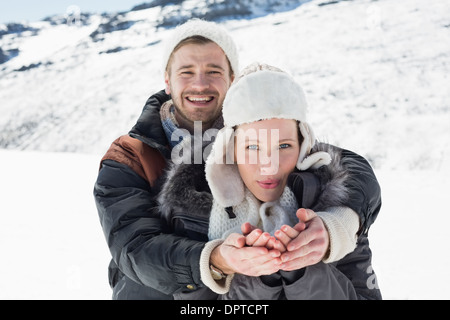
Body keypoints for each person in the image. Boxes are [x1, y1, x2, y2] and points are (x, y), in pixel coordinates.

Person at [94, 19, 381, 300]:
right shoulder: (129, 156)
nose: (200, 84)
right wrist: (217, 260)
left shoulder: (252, 124)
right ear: (167, 81)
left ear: (232, 80)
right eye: (186, 71)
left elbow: (347, 166)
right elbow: (136, 249)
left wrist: (339, 223)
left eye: (214, 71)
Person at [158, 63, 360, 299]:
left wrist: (303, 270)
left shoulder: (338, 211)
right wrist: (228, 267)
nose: (268, 165)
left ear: (303, 146)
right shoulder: (189, 214)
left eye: (284, 146)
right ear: (230, 149)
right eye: (253, 147)